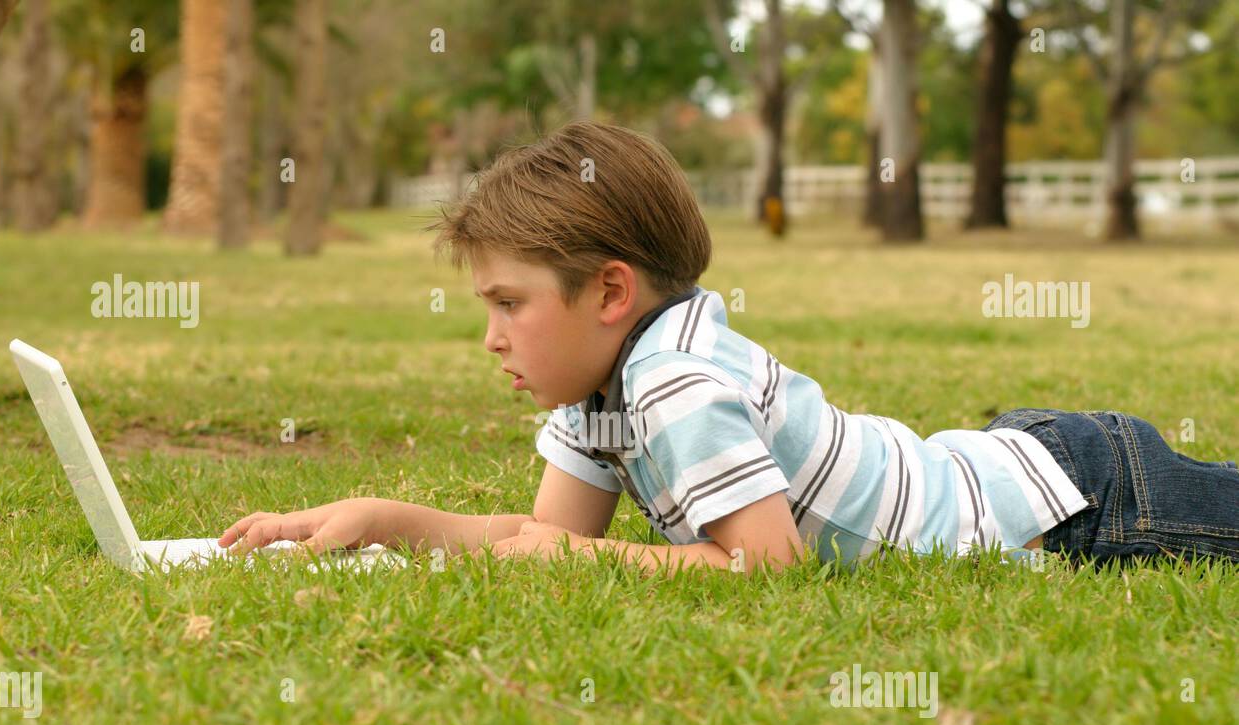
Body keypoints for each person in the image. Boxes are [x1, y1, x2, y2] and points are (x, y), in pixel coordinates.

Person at [219, 121, 1239, 574]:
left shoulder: (674, 380)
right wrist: (391, 519)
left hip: (1082, 499)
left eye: (507, 302)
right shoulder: (596, 386)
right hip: (1022, 459)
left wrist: (588, 559)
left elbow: (768, 565)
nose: (489, 337)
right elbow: (540, 538)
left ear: (609, 291)